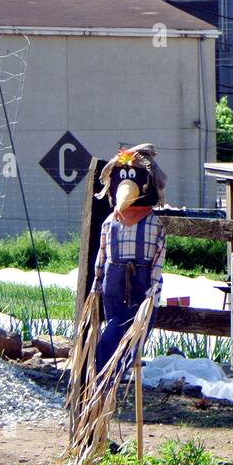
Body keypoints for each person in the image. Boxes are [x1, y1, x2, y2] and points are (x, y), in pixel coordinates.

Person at [90, 144, 167, 371]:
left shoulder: (153, 224)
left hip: (138, 284)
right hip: (114, 283)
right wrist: (97, 285)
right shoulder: (110, 222)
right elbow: (102, 257)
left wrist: (152, 287)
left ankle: (118, 365)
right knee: (115, 324)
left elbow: (158, 258)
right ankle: (109, 369)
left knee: (134, 325)